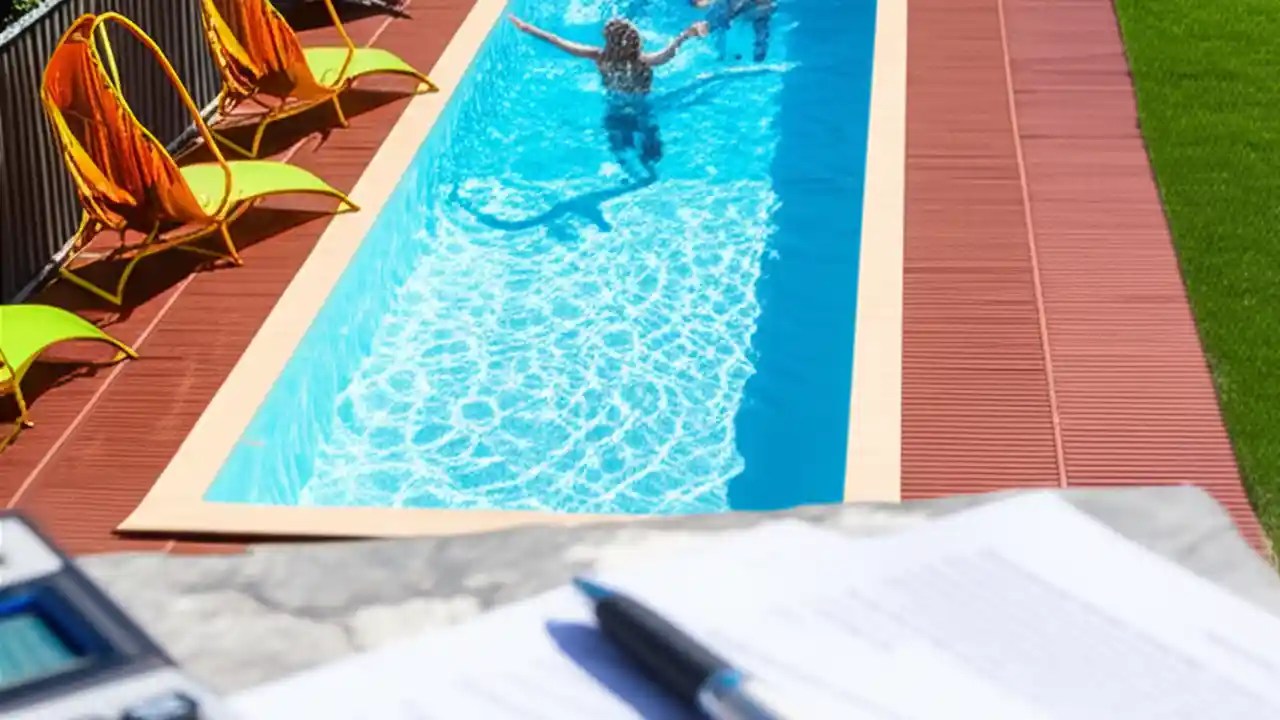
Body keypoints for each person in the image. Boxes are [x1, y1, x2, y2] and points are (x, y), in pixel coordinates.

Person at [509, 15, 709, 174]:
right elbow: (668, 54)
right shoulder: (643, 61)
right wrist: (686, 35)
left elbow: (557, 41)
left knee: (620, 146)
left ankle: (630, 169)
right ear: (636, 41)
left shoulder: (599, 57)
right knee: (652, 149)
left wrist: (527, 28)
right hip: (642, 108)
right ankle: (650, 173)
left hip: (615, 107)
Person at [691, 0, 774, 62]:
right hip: (759, 8)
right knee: (761, 24)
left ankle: (760, 50)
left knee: (761, 23)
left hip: (754, 8)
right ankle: (760, 50)